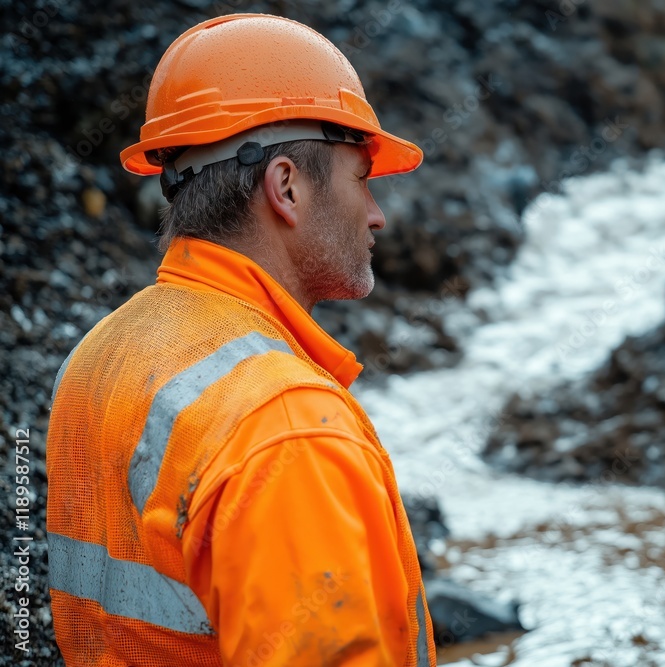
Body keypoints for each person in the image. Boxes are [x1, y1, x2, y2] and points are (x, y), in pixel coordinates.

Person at [46, 13, 435, 667]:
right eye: (360, 177)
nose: (377, 213)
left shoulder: (100, 352)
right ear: (286, 186)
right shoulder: (286, 431)